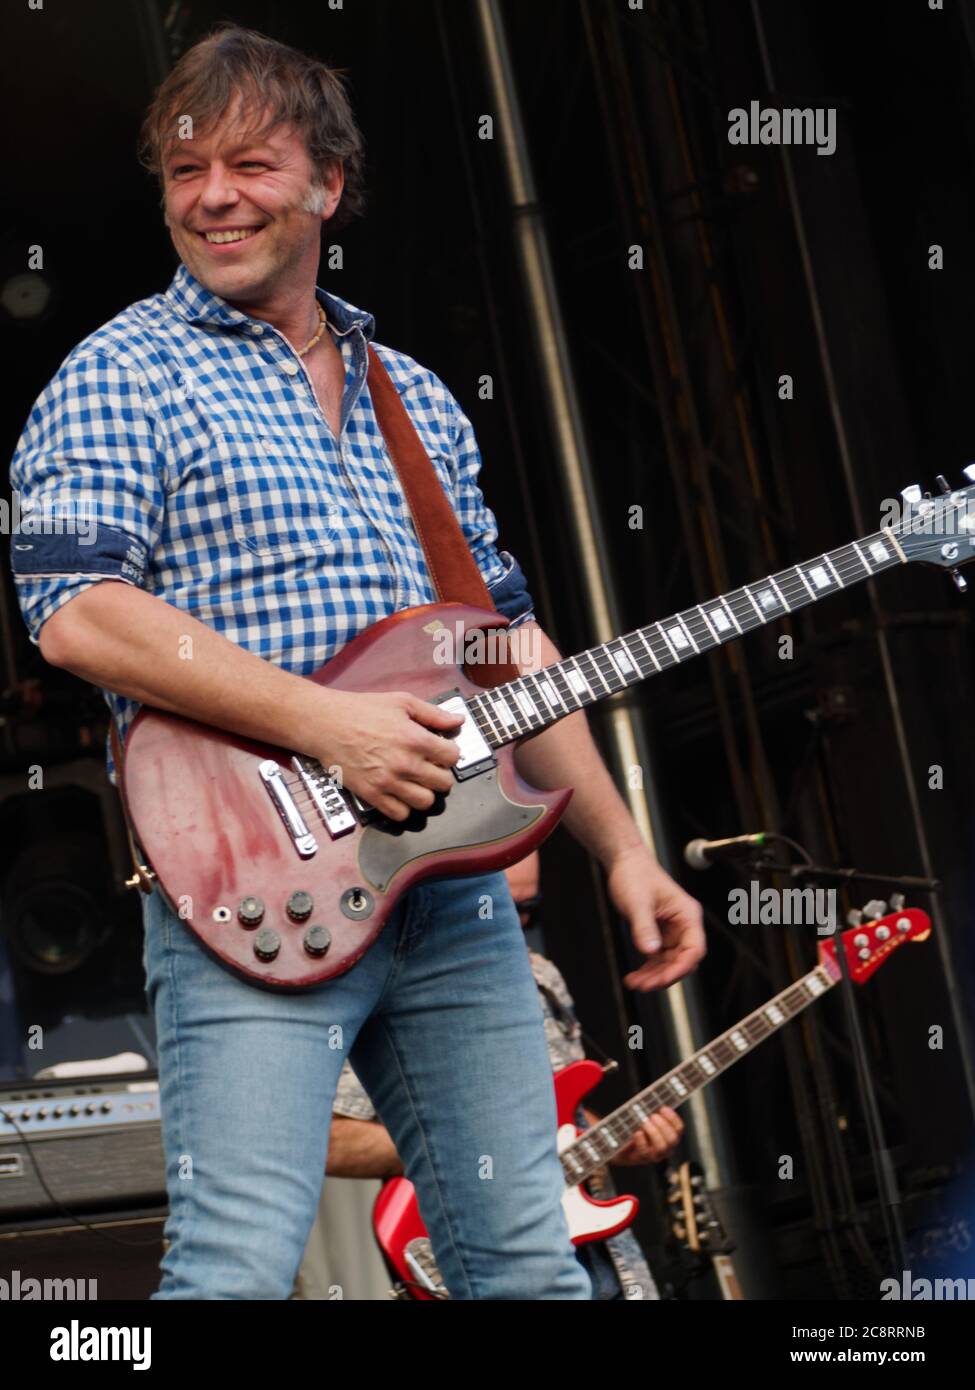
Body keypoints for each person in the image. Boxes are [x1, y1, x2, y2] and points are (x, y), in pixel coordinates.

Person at [8, 25, 704, 1300]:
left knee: (529, 1270)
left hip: (452, 894)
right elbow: (74, 613)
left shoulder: (418, 397)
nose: (212, 196)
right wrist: (332, 728)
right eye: (184, 172)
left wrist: (621, 850)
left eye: (251, 165)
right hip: (250, 889)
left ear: (329, 183)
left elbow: (508, 651)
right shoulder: (121, 372)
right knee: (231, 1273)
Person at [308, 855, 684, 1300]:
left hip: (606, 1261)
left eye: (531, 908)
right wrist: (482, 1152)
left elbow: (557, 1116)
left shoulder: (543, 975)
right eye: (499, 904)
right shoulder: (405, 986)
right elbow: (328, 1139)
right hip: (486, 1255)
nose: (516, 922)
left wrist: (617, 1139)